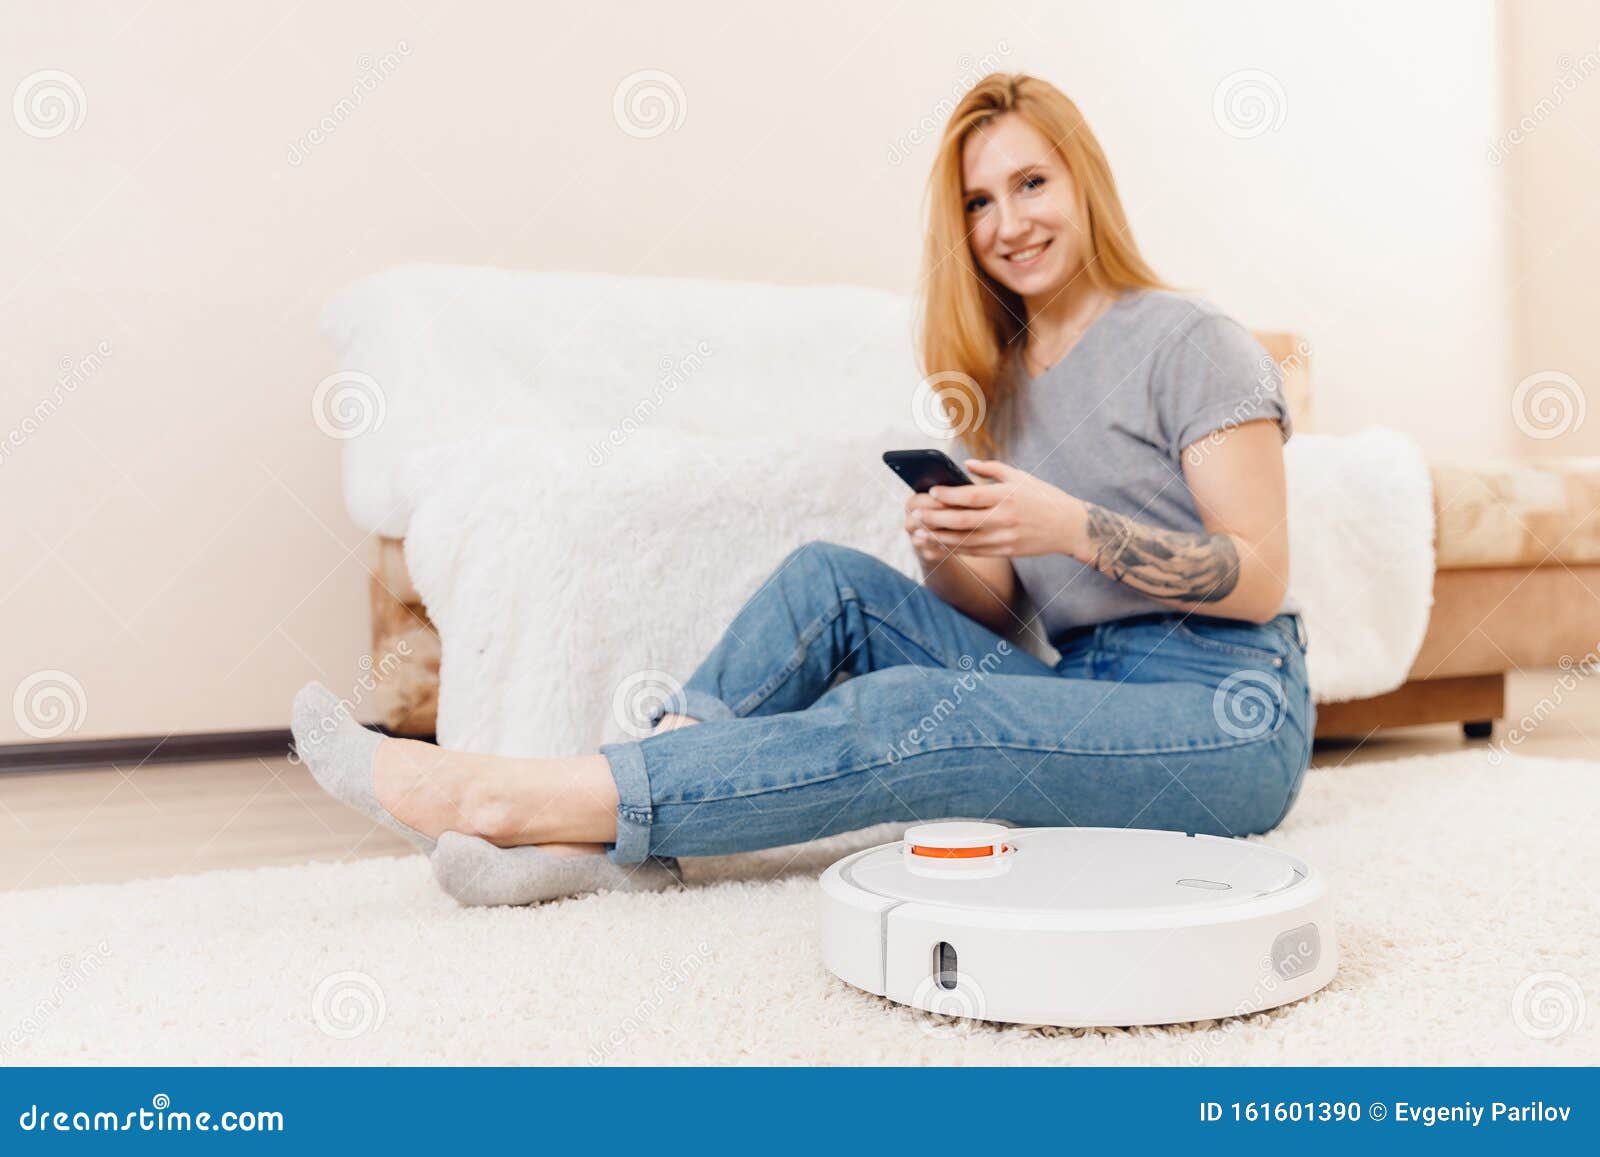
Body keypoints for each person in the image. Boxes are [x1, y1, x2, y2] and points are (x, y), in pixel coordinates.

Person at [292, 72, 1313, 907]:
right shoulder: (1001, 381)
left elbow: (1259, 576)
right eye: (977, 201)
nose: (1008, 221)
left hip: (1226, 713)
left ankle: (499, 793)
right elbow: (1003, 623)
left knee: (921, 715)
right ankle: (612, 834)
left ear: (1083, 181)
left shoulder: (1193, 342)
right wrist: (952, 545)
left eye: (1031, 183)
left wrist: (1071, 524)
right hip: (1086, 683)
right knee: (831, 578)